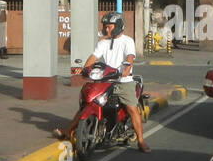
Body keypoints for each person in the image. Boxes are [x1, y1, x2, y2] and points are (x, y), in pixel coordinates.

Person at [56, 12, 150, 153]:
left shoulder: (127, 41)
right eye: (105, 26)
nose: (106, 29)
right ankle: (68, 131)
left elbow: (130, 56)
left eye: (109, 27)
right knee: (88, 103)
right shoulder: (103, 43)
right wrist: (85, 69)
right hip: (105, 80)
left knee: (132, 108)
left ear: (118, 26)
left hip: (123, 81)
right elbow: (93, 57)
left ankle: (141, 141)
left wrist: (127, 67)